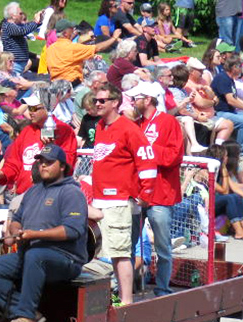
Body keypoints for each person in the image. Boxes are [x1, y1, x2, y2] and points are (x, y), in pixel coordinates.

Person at [0, 144, 88, 322]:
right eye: (41, 162)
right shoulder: (33, 191)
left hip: (65, 258)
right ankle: (22, 311)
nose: (43, 166)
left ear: (62, 166)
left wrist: (34, 234)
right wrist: (15, 231)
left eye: (49, 162)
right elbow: (17, 219)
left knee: (36, 255)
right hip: (32, 255)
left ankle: (26, 315)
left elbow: (72, 230)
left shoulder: (71, 192)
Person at [92, 83, 157, 305]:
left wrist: (145, 193)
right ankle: (109, 296)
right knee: (100, 251)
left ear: (115, 102)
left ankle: (126, 300)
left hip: (120, 201)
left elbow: (147, 163)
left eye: (102, 100)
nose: (97, 104)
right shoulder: (101, 126)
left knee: (120, 252)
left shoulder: (129, 128)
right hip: (100, 200)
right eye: (96, 100)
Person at [127, 81, 184, 297]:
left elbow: (173, 156)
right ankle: (129, 288)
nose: (132, 101)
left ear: (148, 99)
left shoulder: (168, 122)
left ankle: (162, 289)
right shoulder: (136, 124)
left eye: (136, 98)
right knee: (129, 244)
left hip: (161, 193)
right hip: (137, 193)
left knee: (162, 246)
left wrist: (146, 150)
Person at [45, 18, 120, 85]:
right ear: (65, 33)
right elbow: (98, 48)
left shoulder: (50, 49)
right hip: (72, 85)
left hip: (55, 85)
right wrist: (114, 38)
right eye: (71, 29)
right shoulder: (73, 48)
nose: (74, 31)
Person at [211, 55, 243, 155]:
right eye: (241, 67)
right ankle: (241, 153)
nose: (242, 69)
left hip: (230, 111)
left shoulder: (230, 79)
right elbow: (230, 100)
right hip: (220, 112)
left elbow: (234, 97)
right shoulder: (223, 78)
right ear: (234, 67)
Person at [0, 2, 42, 74]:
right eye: (20, 13)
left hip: (20, 64)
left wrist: (39, 20)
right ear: (13, 15)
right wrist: (36, 22)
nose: (22, 15)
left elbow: (27, 26)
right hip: (14, 64)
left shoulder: (16, 25)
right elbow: (22, 31)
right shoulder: (8, 26)